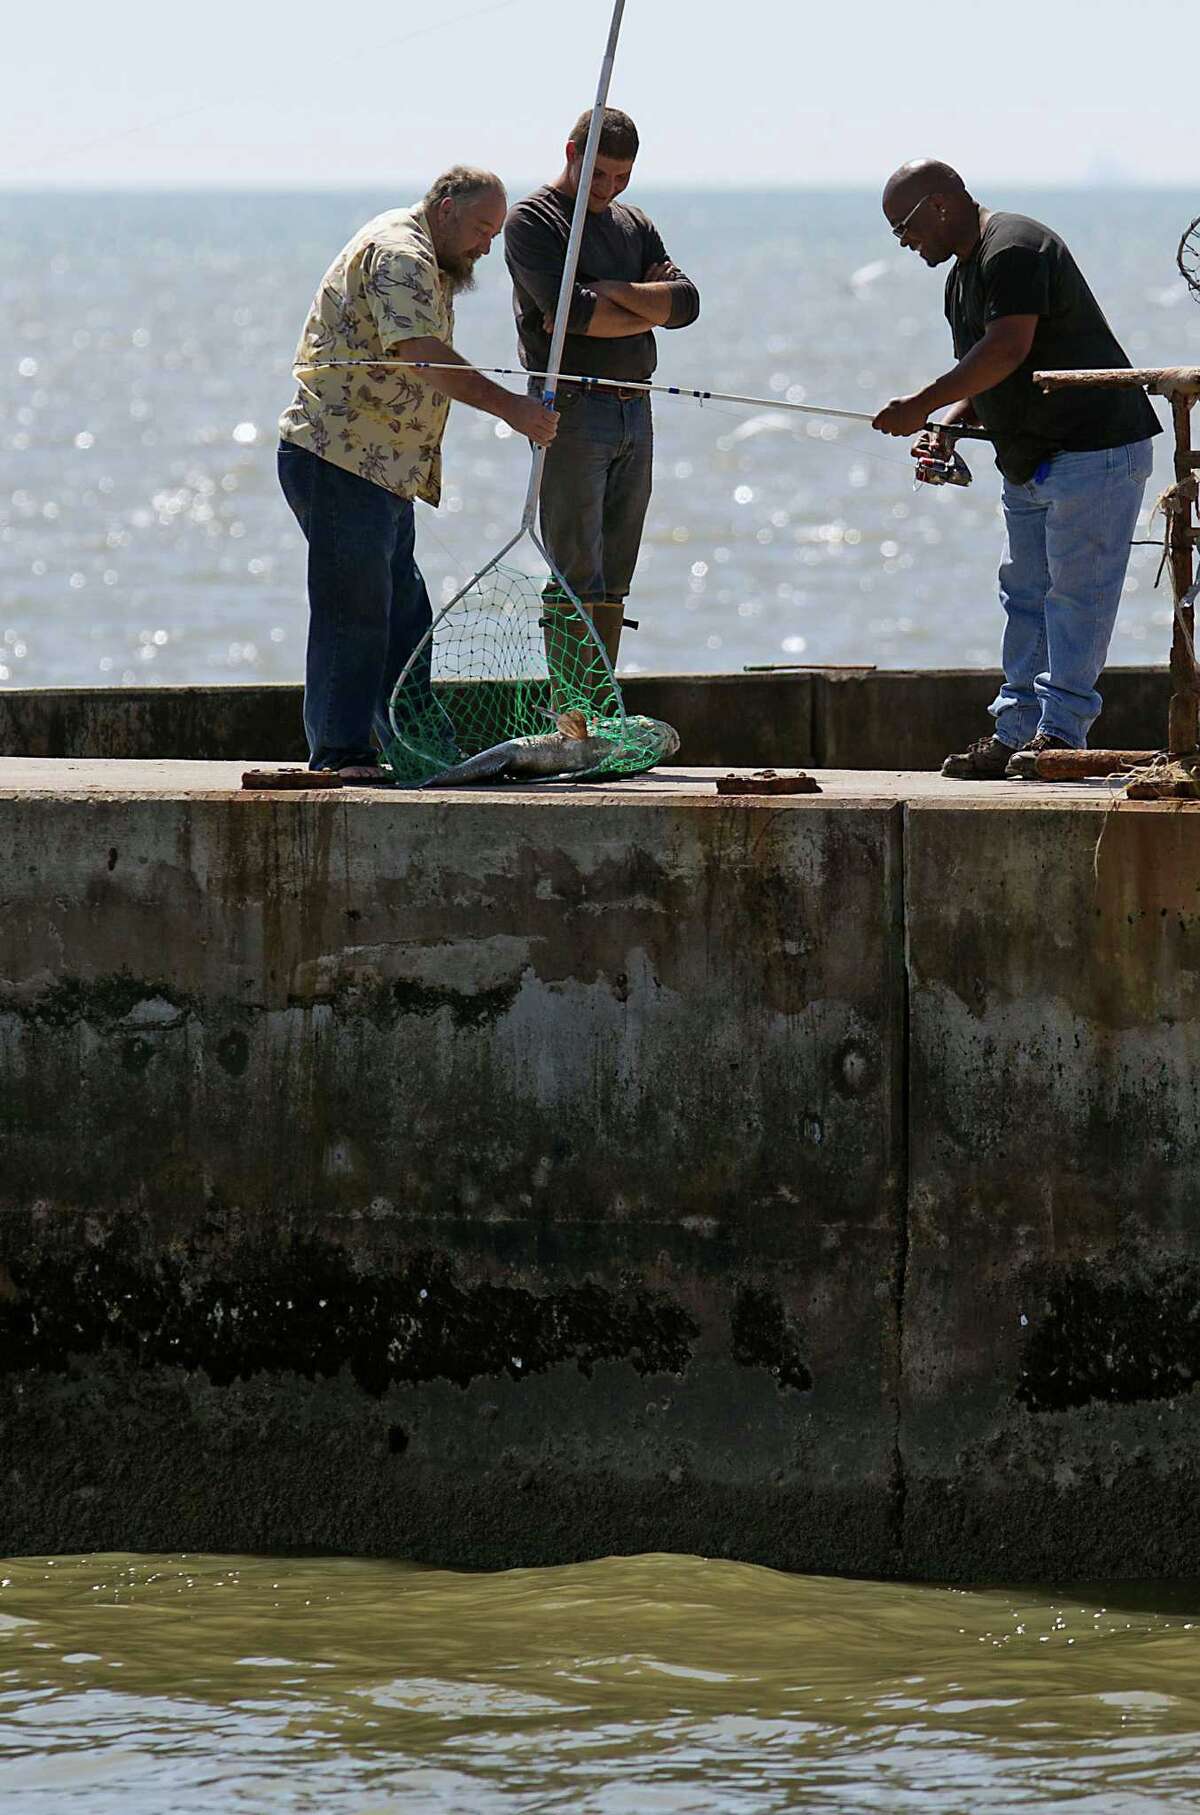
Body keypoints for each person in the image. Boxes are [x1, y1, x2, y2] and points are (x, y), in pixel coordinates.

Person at [872, 160, 1160, 779]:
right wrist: (945, 426)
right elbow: (985, 370)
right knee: (1025, 596)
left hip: (1095, 449)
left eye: (906, 228)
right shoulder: (960, 278)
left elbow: (1007, 348)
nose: (905, 243)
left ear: (942, 205)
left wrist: (918, 406)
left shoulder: (1016, 247)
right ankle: (1016, 733)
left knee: (1076, 599)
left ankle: (1060, 737)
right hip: (1030, 457)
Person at [278, 167, 557, 778]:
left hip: (384, 471)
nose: (487, 245)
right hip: (339, 460)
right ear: (447, 207)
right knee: (354, 611)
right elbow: (420, 353)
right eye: (482, 228)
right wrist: (512, 408)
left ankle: (414, 745)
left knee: (404, 616)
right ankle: (338, 754)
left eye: (495, 233)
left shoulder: (432, 257)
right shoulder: (400, 254)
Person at [504, 108, 699, 673]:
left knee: (617, 571)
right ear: (572, 153)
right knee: (574, 568)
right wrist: (645, 306)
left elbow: (686, 304)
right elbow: (576, 317)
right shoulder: (533, 221)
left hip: (635, 404)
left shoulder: (633, 222)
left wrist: (611, 289)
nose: (609, 188)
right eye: (599, 175)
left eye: (621, 177)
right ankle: (570, 709)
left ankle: (601, 699)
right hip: (570, 409)